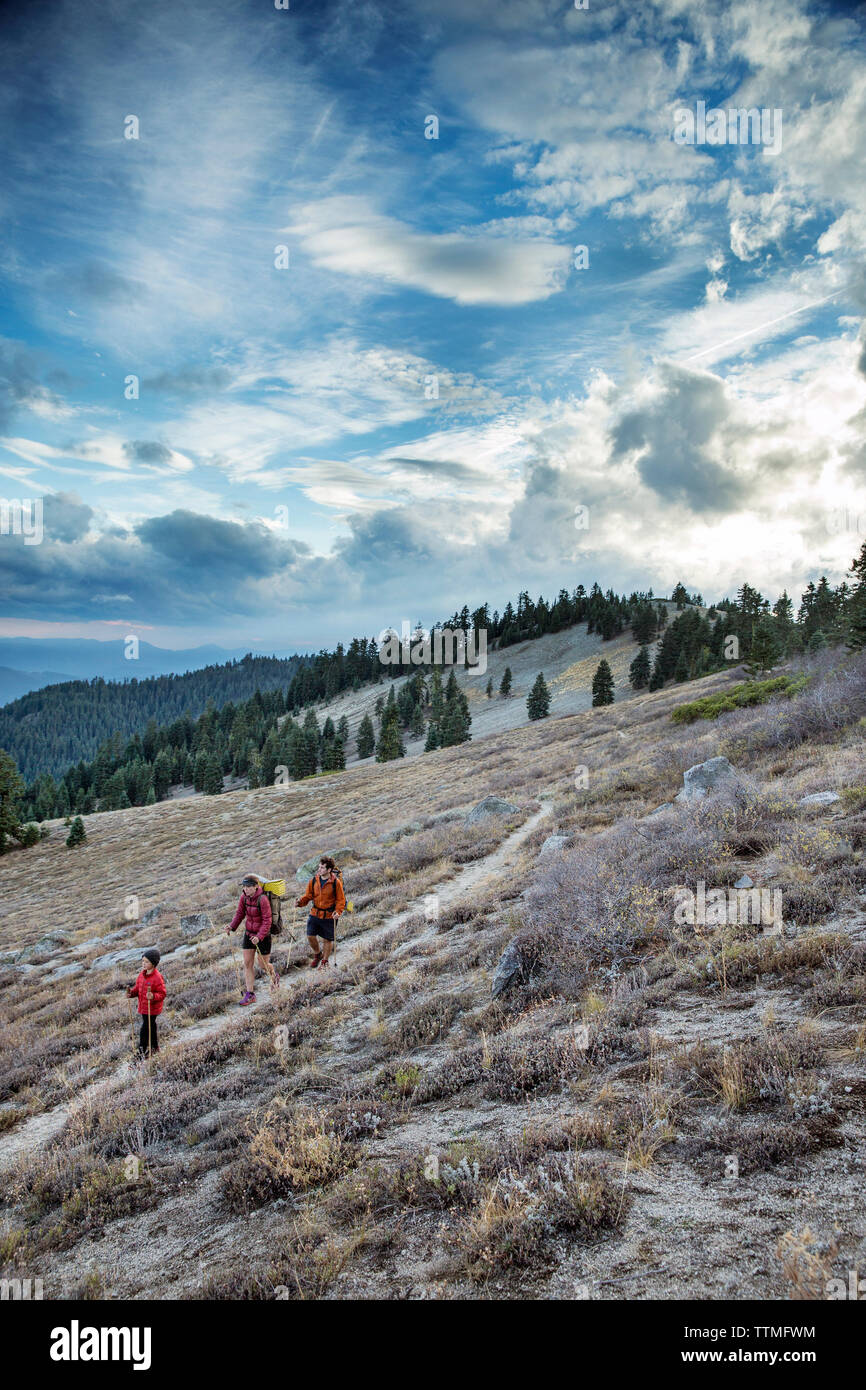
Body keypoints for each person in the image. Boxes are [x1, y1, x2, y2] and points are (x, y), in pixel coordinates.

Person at [226, 874, 280, 1005]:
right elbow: (240, 913)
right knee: (247, 963)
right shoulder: (243, 897)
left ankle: (274, 976)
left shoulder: (263, 899)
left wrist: (259, 937)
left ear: (256, 887)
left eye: (249, 887)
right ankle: (250, 994)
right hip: (249, 934)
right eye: (244, 887)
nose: (246, 889)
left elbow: (267, 921)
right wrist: (231, 927)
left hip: (263, 937)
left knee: (263, 965)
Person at [296, 856, 345, 969]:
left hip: (329, 915)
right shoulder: (314, 880)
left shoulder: (336, 883)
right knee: (310, 936)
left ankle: (325, 961)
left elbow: (340, 899)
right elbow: (308, 896)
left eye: (322, 868)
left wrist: (338, 912)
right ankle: (318, 954)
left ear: (329, 870)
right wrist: (300, 902)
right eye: (319, 867)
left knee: (327, 939)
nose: (319, 869)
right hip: (315, 913)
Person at [127, 949, 166, 1058]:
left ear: (153, 963)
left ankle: (142, 1051)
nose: (143, 964)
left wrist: (153, 996)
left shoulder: (157, 977)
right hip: (143, 1006)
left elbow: (162, 994)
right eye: (143, 961)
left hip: (152, 1008)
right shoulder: (141, 975)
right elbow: (138, 989)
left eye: (147, 962)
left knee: (145, 1029)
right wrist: (132, 993)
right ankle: (154, 1048)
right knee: (151, 1027)